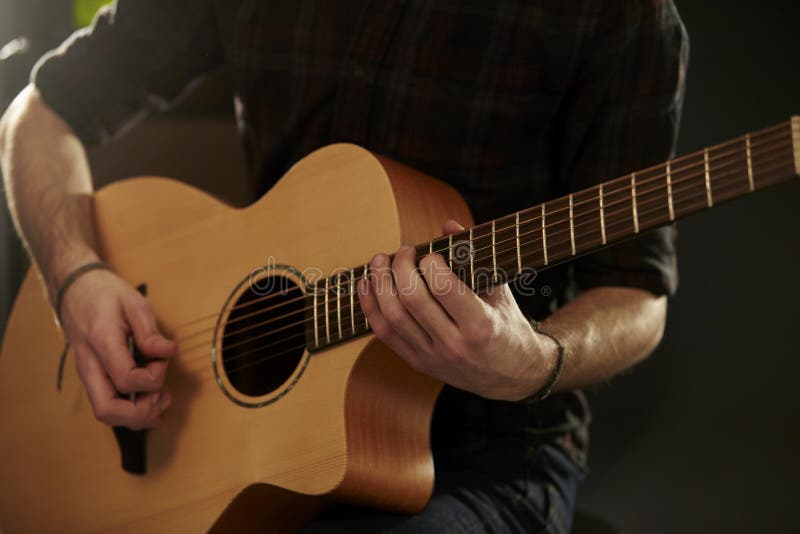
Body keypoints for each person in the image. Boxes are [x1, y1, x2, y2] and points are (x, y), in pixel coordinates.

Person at [0, 1, 688, 532]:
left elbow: (637, 289)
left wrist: (535, 361)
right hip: (246, 444)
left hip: (485, 458)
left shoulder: (620, 14)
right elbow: (41, 111)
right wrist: (75, 276)